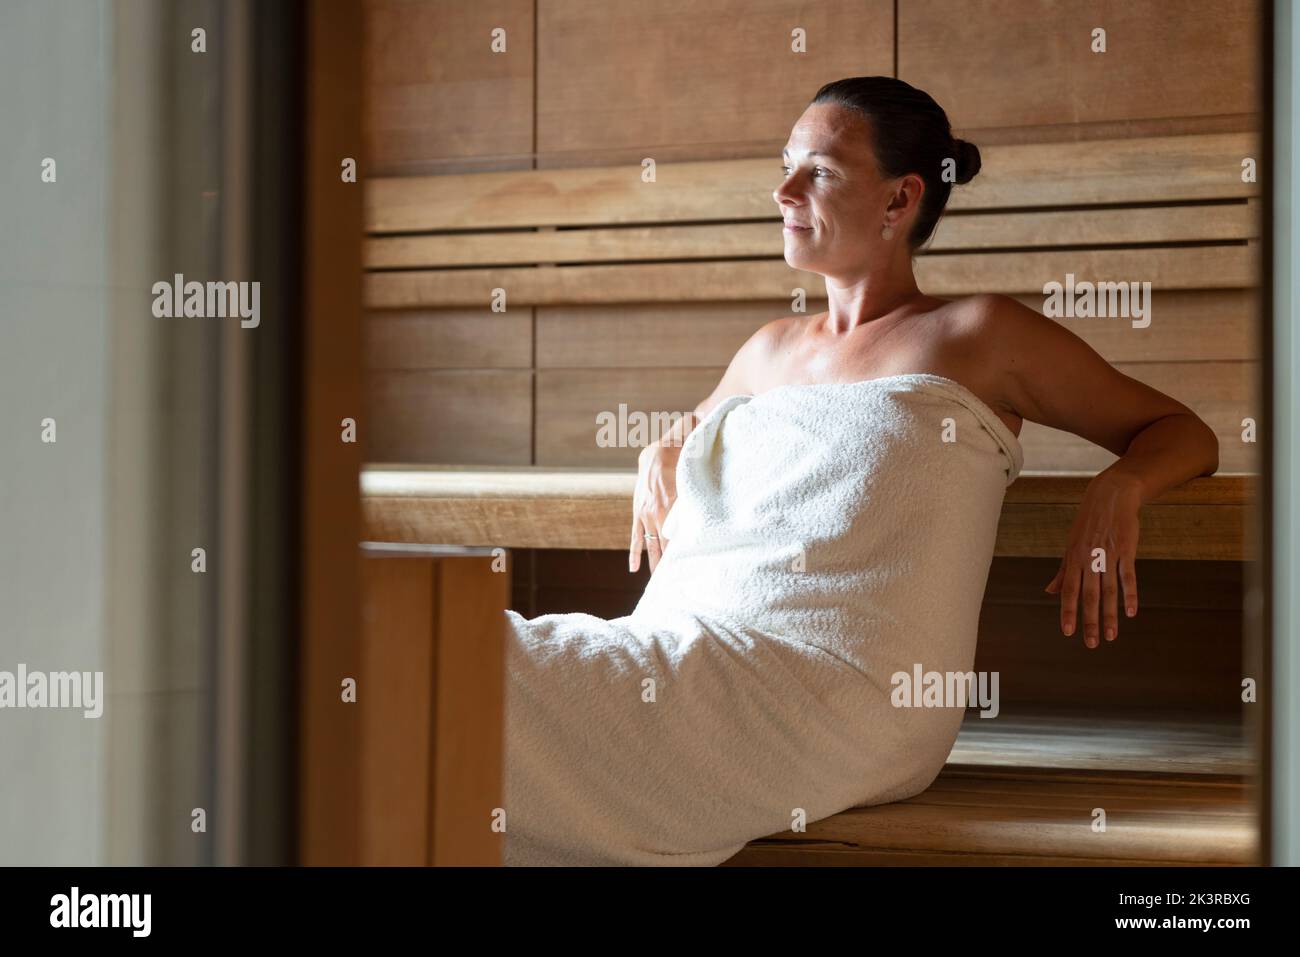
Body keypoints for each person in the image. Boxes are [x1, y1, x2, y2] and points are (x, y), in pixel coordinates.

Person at [630, 76, 1218, 649]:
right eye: (787, 167)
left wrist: (1121, 486)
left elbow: (1183, 432)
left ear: (901, 197)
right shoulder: (769, 348)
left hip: (827, 672)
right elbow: (691, 430)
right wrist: (660, 448)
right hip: (699, 636)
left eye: (821, 172)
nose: (784, 193)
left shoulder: (977, 333)